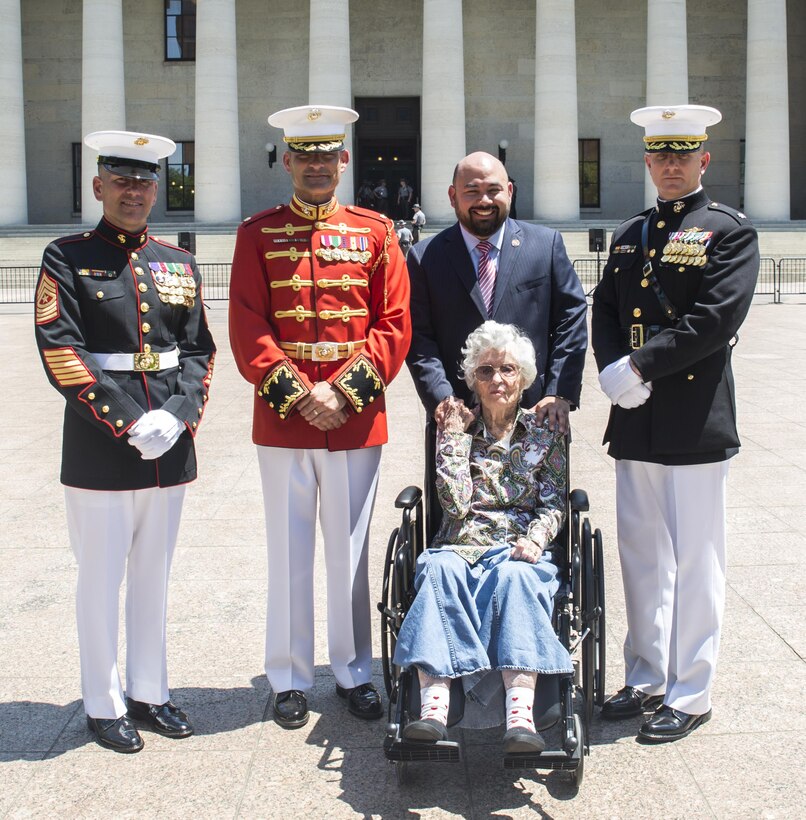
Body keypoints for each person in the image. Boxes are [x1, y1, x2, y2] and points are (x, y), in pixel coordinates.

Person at [228, 105, 411, 730]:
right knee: (288, 551)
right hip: (283, 418)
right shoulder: (256, 233)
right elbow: (248, 324)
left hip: (354, 418)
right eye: (302, 154)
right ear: (287, 161)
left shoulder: (377, 232)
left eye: (325, 153)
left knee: (351, 551)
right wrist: (299, 392)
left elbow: (394, 325)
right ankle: (287, 674)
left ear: (343, 160)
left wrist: (342, 393)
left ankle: (355, 669)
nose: (314, 164)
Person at [33, 130, 216, 753]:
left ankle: (150, 691)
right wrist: (126, 419)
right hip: (102, 445)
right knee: (100, 577)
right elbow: (61, 348)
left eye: (144, 182)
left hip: (168, 444)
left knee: (153, 577)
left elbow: (197, 350)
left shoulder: (179, 262)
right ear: (99, 187)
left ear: (155, 189)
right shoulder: (66, 255)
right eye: (122, 181)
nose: (134, 192)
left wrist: (180, 413)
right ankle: (103, 701)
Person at [592, 105, 759, 742]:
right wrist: (611, 368)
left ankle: (690, 691)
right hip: (635, 418)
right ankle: (645, 676)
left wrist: (636, 367)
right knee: (641, 554)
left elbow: (716, 319)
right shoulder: (632, 232)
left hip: (692, 415)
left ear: (703, 162)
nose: (669, 166)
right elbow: (605, 308)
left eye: (681, 156)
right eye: (660, 156)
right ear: (648, 162)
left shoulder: (729, 231)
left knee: (697, 557)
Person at [393, 321, 572, 754]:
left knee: (517, 577)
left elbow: (553, 505)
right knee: (436, 569)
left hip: (519, 546)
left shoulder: (546, 432)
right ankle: (434, 708)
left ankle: (520, 715)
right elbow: (454, 505)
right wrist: (452, 439)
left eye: (508, 370)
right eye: (486, 371)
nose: (497, 380)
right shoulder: (457, 427)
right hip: (460, 543)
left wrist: (536, 538)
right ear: (473, 378)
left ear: (524, 378)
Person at [406, 151, 587, 437]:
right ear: (453, 196)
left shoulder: (546, 246)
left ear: (510, 192)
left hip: (537, 416)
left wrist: (559, 393)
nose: (484, 201)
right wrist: (441, 397)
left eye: (493, 190)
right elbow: (418, 337)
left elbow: (571, 319)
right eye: (472, 191)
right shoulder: (424, 257)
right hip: (456, 419)